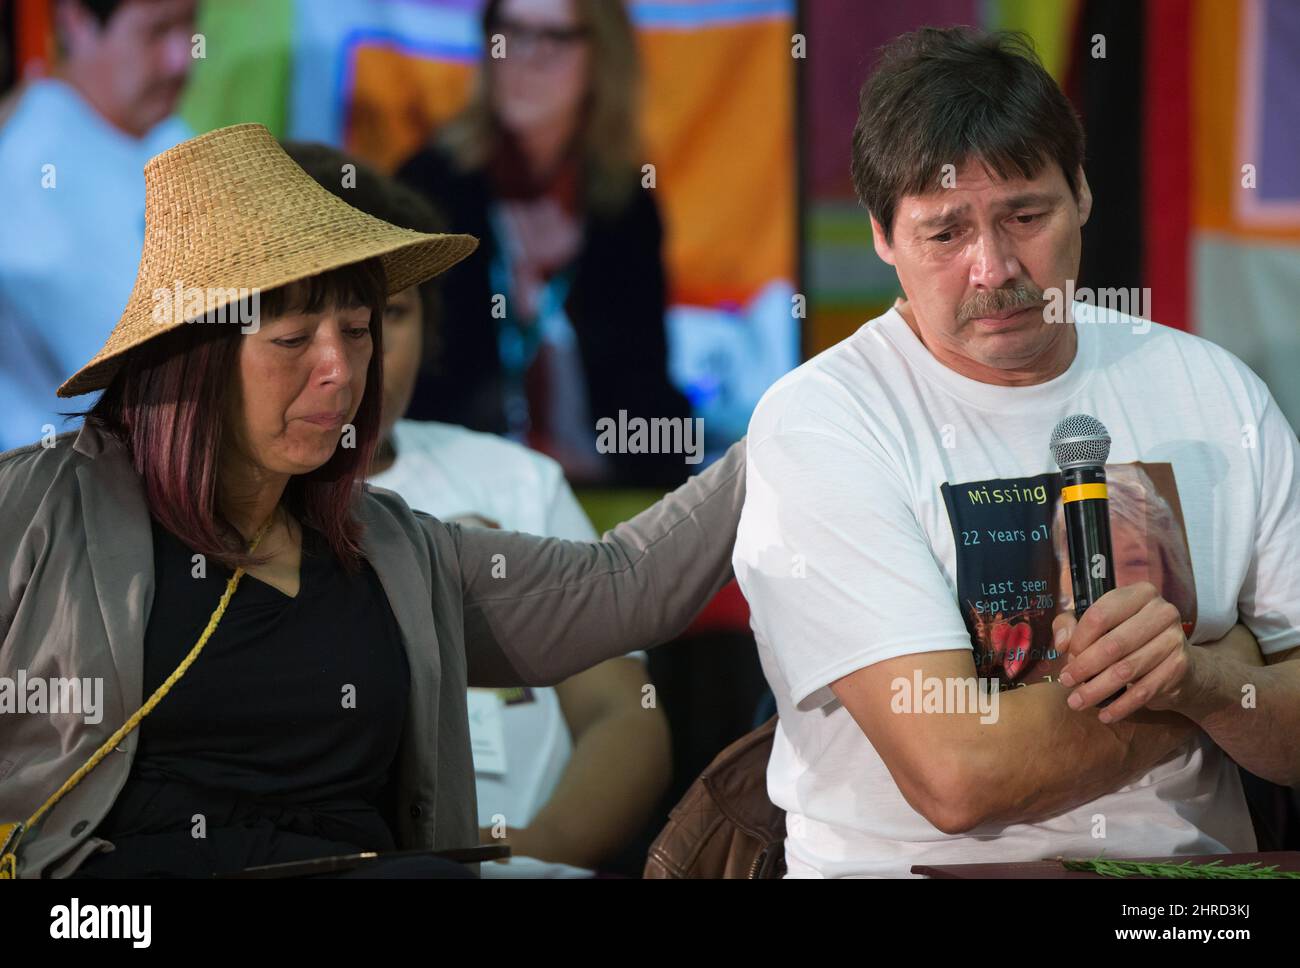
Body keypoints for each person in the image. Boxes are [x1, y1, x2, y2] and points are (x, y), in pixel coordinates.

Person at [0, 123, 744, 879]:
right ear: (195, 359)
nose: (341, 370)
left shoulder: (395, 550)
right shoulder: (42, 507)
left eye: (358, 331)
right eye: (293, 340)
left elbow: (630, 584)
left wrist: (798, 421)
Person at [733, 27, 1300, 878]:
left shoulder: (1214, 389)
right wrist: (1219, 675)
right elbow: (958, 777)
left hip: (1188, 900)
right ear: (883, 238)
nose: (994, 268)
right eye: (944, 234)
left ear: (1082, 193)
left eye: (1025, 216)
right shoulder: (823, 422)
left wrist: (1202, 680)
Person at [285, 142, 672, 875]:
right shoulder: (229, 509)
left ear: (429, 327)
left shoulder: (520, 483)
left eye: (384, 316)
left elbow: (625, 716)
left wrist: (524, 860)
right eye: (312, 321)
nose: (348, 356)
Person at [397, 0, 691, 487]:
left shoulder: (626, 209)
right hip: (452, 493)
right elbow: (407, 394)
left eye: (553, 38)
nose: (522, 56)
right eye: (508, 31)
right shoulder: (429, 191)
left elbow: (649, 396)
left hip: (591, 492)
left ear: (603, 57)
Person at [0, 0, 195, 452]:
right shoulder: (28, 172)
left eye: (190, 24)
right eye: (157, 30)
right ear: (76, 20)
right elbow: (152, 383)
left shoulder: (166, 131)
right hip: (67, 498)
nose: (181, 57)